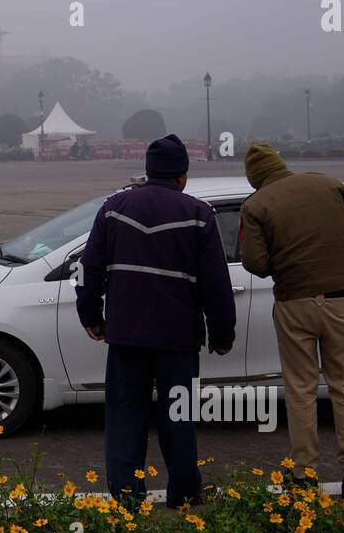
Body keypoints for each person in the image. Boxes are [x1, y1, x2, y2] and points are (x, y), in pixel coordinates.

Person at [76, 134, 237, 509]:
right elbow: (216, 283)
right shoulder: (199, 214)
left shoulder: (114, 208)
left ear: (148, 172)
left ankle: (127, 498)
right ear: (182, 175)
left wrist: (91, 316)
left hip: (126, 335)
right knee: (177, 417)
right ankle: (183, 492)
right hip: (177, 339)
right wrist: (222, 333)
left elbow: (89, 269)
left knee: (125, 417)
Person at [239, 143, 344, 498]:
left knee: (300, 391)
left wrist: (281, 262)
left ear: (255, 178)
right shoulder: (329, 184)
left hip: (294, 304)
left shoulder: (255, 205)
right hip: (343, 300)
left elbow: (254, 263)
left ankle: (303, 475)